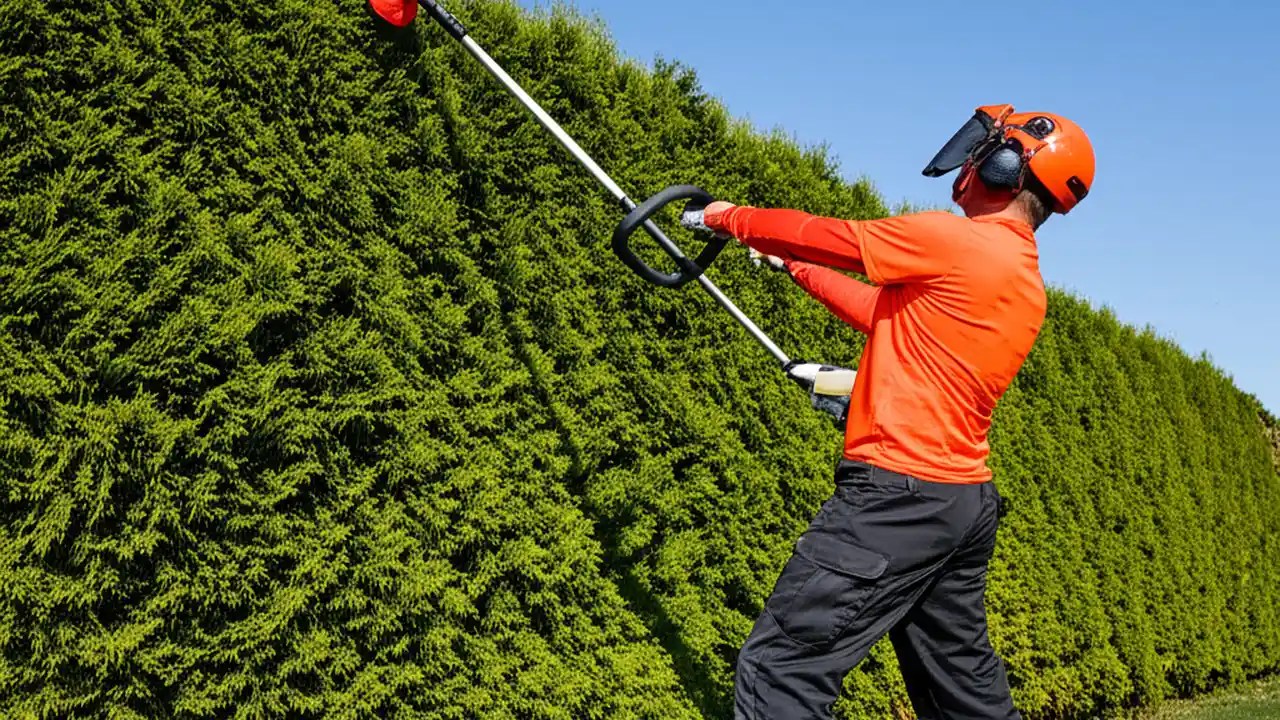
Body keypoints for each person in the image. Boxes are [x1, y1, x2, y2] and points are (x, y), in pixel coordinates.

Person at [682, 105, 1096, 719]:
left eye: (988, 150)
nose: (971, 160)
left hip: (895, 498)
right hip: (961, 503)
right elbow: (887, 317)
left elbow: (830, 236)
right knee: (964, 690)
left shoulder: (954, 239)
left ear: (1010, 166)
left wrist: (727, 218)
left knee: (782, 670)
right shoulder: (1021, 280)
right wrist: (795, 268)